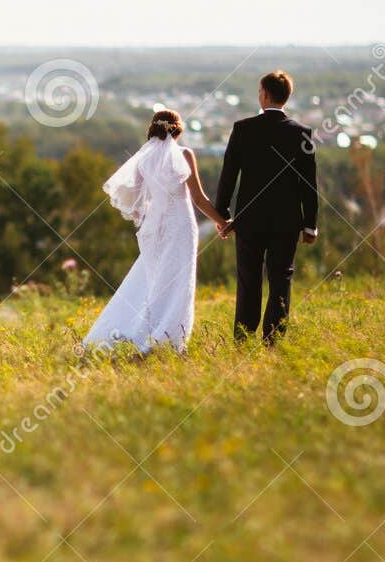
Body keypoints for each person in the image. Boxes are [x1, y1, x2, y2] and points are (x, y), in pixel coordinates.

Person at [83, 108, 228, 353]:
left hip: (154, 227)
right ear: (177, 129)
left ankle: (140, 331)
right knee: (178, 281)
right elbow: (199, 198)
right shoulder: (184, 154)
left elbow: (137, 198)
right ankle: (168, 339)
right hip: (180, 225)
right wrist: (222, 222)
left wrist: (151, 216)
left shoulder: (143, 159)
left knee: (152, 279)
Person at [214, 70, 318, 344]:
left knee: (249, 279)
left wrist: (222, 214)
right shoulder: (302, 134)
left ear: (264, 94)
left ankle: (243, 338)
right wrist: (310, 224)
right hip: (287, 221)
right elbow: (309, 185)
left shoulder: (242, 129)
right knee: (281, 278)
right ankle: (273, 339)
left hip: (249, 219)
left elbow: (228, 176)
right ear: (287, 97)